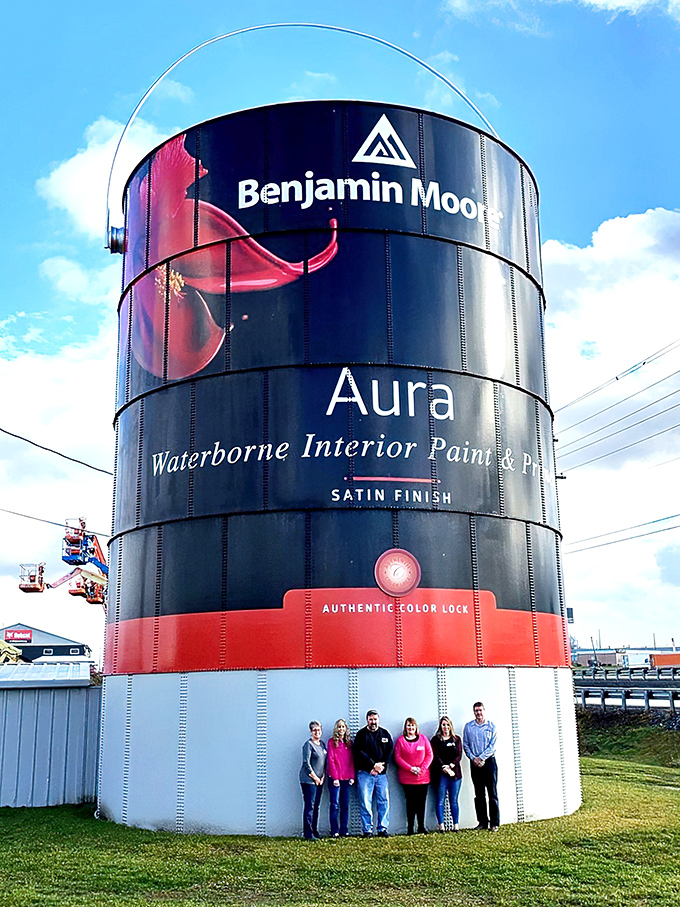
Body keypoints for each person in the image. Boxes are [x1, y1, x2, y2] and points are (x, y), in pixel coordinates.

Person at [354, 709, 393, 837]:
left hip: (381, 774)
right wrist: (372, 766)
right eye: (371, 719)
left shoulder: (385, 734)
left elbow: (389, 752)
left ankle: (382, 829)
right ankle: (367, 830)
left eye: (375, 719)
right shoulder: (361, 735)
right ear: (367, 720)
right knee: (365, 801)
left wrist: (381, 766)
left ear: (378, 719)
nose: (373, 722)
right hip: (365, 773)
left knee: (383, 801)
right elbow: (359, 753)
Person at [463, 701, 499, 831]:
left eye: (480, 710)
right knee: (479, 794)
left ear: (484, 710)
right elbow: (465, 744)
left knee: (492, 793)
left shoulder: (491, 726)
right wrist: (473, 759)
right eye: (476, 711)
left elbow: (492, 746)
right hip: (475, 764)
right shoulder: (468, 727)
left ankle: (494, 823)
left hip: (489, 763)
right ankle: (483, 822)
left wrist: (482, 758)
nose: (478, 713)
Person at [393, 716, 433, 835]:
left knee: (421, 803)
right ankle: (410, 828)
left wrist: (422, 768)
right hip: (407, 778)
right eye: (408, 725)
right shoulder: (400, 741)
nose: (410, 728)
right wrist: (410, 768)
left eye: (412, 725)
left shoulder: (423, 739)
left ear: (416, 727)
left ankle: (421, 827)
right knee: (410, 804)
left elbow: (429, 755)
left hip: (423, 778)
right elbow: (397, 757)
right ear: (405, 728)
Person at [430, 715, 463, 832]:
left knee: (453, 800)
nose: (446, 727)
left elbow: (459, 755)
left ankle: (456, 825)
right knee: (440, 800)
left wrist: (451, 766)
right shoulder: (435, 740)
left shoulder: (456, 739)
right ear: (440, 726)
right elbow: (434, 755)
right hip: (440, 774)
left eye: (447, 724)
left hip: (455, 774)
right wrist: (444, 767)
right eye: (443, 725)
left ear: (451, 726)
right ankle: (441, 825)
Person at [326, 718, 355, 837]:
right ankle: (334, 830)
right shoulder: (331, 742)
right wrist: (335, 777)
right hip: (335, 779)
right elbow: (331, 760)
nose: (341, 729)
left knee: (345, 805)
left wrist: (352, 776)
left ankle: (344, 829)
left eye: (343, 727)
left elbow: (352, 760)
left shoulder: (349, 743)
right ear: (336, 729)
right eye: (339, 727)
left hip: (347, 778)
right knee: (335, 804)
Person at [299, 720, 327, 840]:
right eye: (314, 730)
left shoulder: (322, 745)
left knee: (316, 806)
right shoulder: (308, 745)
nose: (317, 732)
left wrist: (323, 776)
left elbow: (324, 763)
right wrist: (315, 777)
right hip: (309, 781)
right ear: (311, 732)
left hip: (320, 781)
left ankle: (315, 831)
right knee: (309, 806)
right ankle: (308, 833)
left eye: (319, 729)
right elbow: (306, 763)